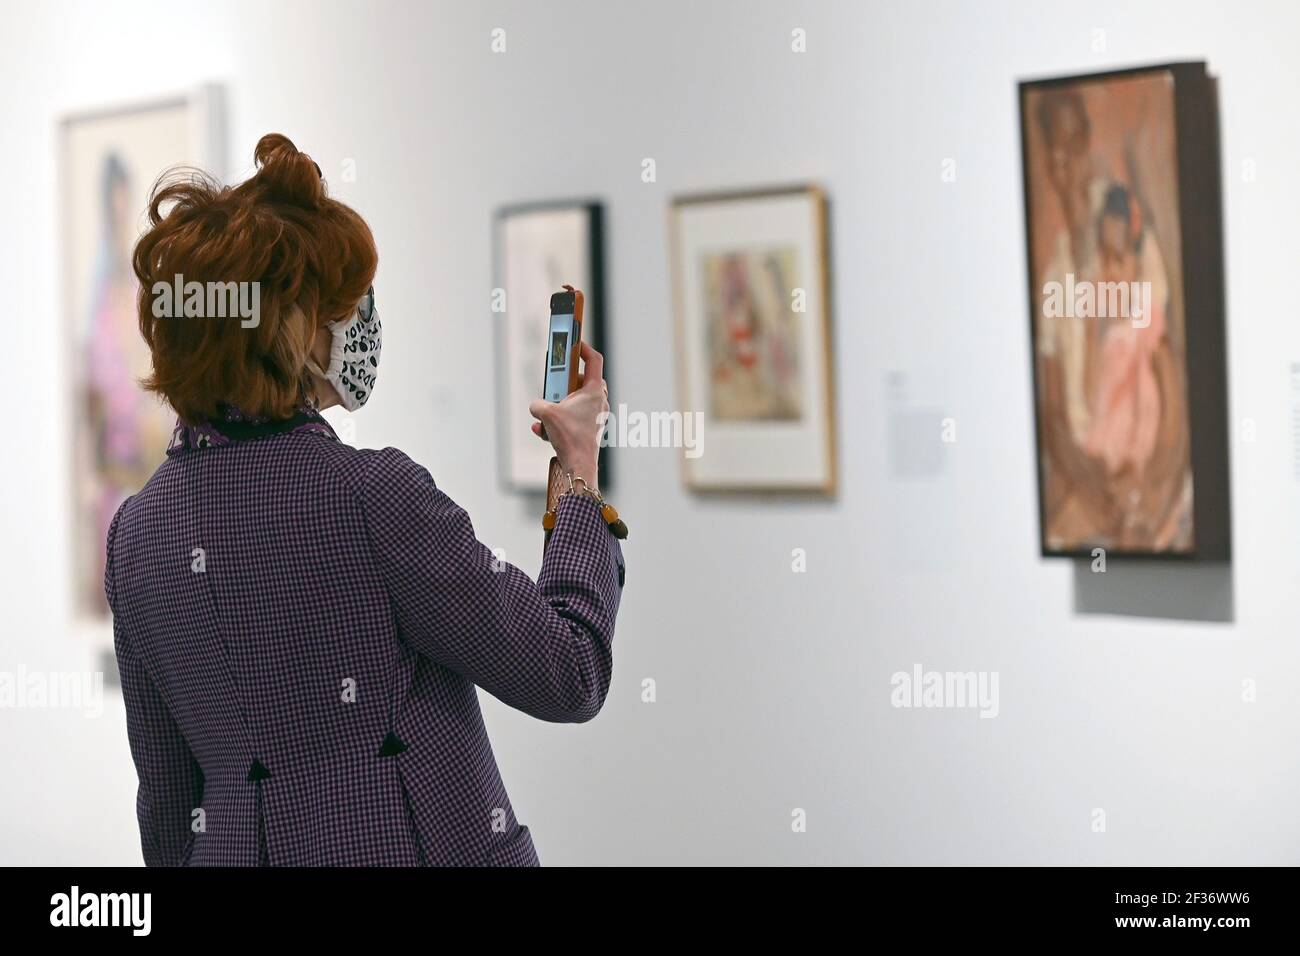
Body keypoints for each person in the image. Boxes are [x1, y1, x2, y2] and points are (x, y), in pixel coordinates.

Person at [106, 133, 625, 866]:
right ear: (293, 329)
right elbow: (568, 672)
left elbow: (164, 809)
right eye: (347, 305)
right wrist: (576, 477)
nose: (364, 324)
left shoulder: (135, 536)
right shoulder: (372, 498)